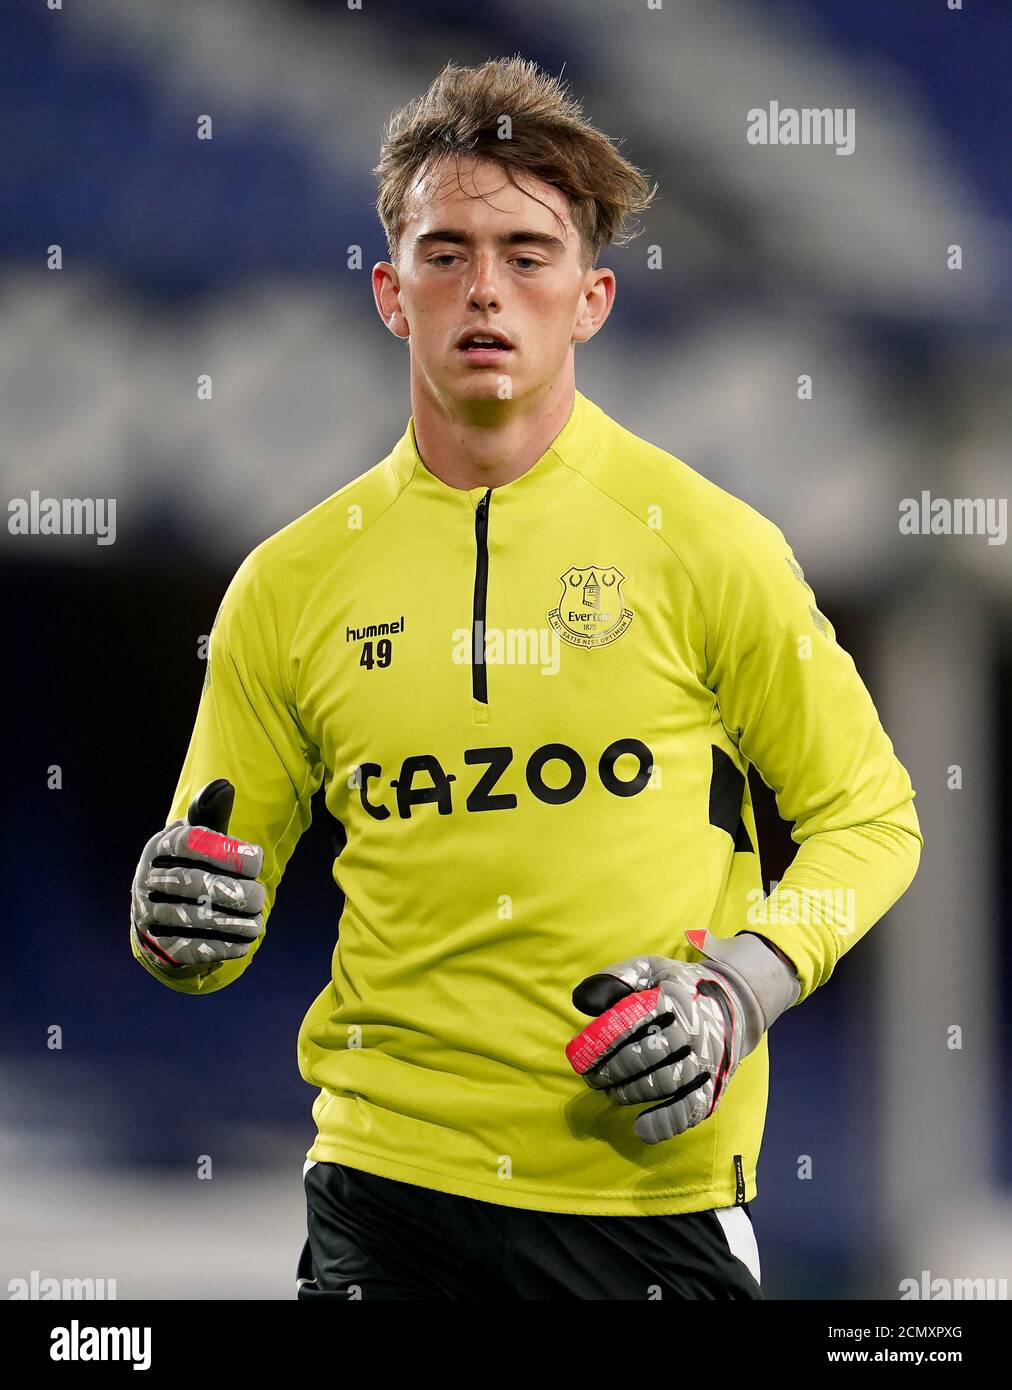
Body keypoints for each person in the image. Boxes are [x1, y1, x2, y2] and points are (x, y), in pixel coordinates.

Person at [129, 56, 922, 1300]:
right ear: (391, 294)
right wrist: (175, 921)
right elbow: (214, 904)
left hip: (644, 1199)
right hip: (382, 1196)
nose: (483, 288)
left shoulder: (710, 546)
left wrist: (733, 994)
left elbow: (870, 818)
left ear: (591, 297)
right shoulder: (286, 586)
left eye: (526, 253)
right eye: (445, 253)